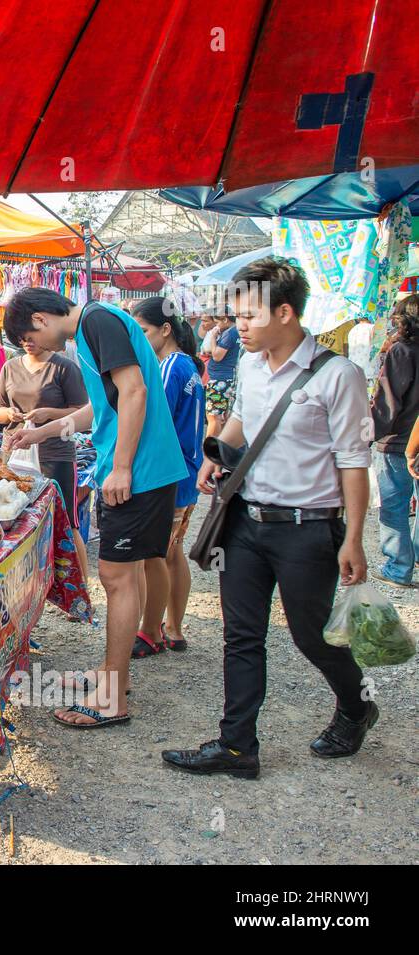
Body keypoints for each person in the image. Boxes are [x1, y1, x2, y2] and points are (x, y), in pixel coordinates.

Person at [163, 258, 373, 779]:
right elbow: (242, 417)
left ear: (285, 312)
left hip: (308, 528)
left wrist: (354, 539)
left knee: (312, 635)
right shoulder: (251, 365)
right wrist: (216, 453)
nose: (238, 326)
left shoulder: (338, 375)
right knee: (241, 635)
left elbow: (354, 461)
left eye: (249, 316)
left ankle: (357, 705)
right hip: (244, 523)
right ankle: (237, 747)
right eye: (235, 316)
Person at [4, 288, 187, 730]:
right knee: (128, 574)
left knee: (115, 578)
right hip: (141, 468)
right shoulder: (92, 329)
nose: (34, 346)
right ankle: (112, 673)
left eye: (29, 337)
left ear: (41, 318)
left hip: (139, 471)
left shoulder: (97, 321)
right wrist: (43, 432)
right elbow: (99, 408)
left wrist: (121, 467)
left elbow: (135, 391)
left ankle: (112, 698)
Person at [130, 297, 205, 656]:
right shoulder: (187, 364)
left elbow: (149, 421)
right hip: (187, 471)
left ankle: (151, 632)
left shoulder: (169, 367)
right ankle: (173, 628)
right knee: (173, 553)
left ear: (164, 329)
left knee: (155, 556)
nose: (139, 339)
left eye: (143, 331)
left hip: (169, 473)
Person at [0, 338, 89, 583]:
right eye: (22, 337)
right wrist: (9, 413)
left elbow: (82, 412)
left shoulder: (65, 368)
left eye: (32, 335)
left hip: (55, 455)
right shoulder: (10, 367)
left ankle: (80, 587)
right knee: (18, 521)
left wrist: (50, 414)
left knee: (67, 522)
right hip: (14, 455)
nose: (28, 341)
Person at [370, 294, 419, 586]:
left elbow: (388, 402)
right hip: (409, 438)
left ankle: (398, 568)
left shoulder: (402, 351)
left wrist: (367, 434)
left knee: (394, 506)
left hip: (400, 440)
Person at [202, 309, 239, 437]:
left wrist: (213, 337)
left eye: (217, 322)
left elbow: (217, 356)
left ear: (225, 319)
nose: (216, 326)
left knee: (213, 417)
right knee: (221, 417)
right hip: (227, 378)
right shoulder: (235, 332)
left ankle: (210, 447)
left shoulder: (229, 333)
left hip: (220, 380)